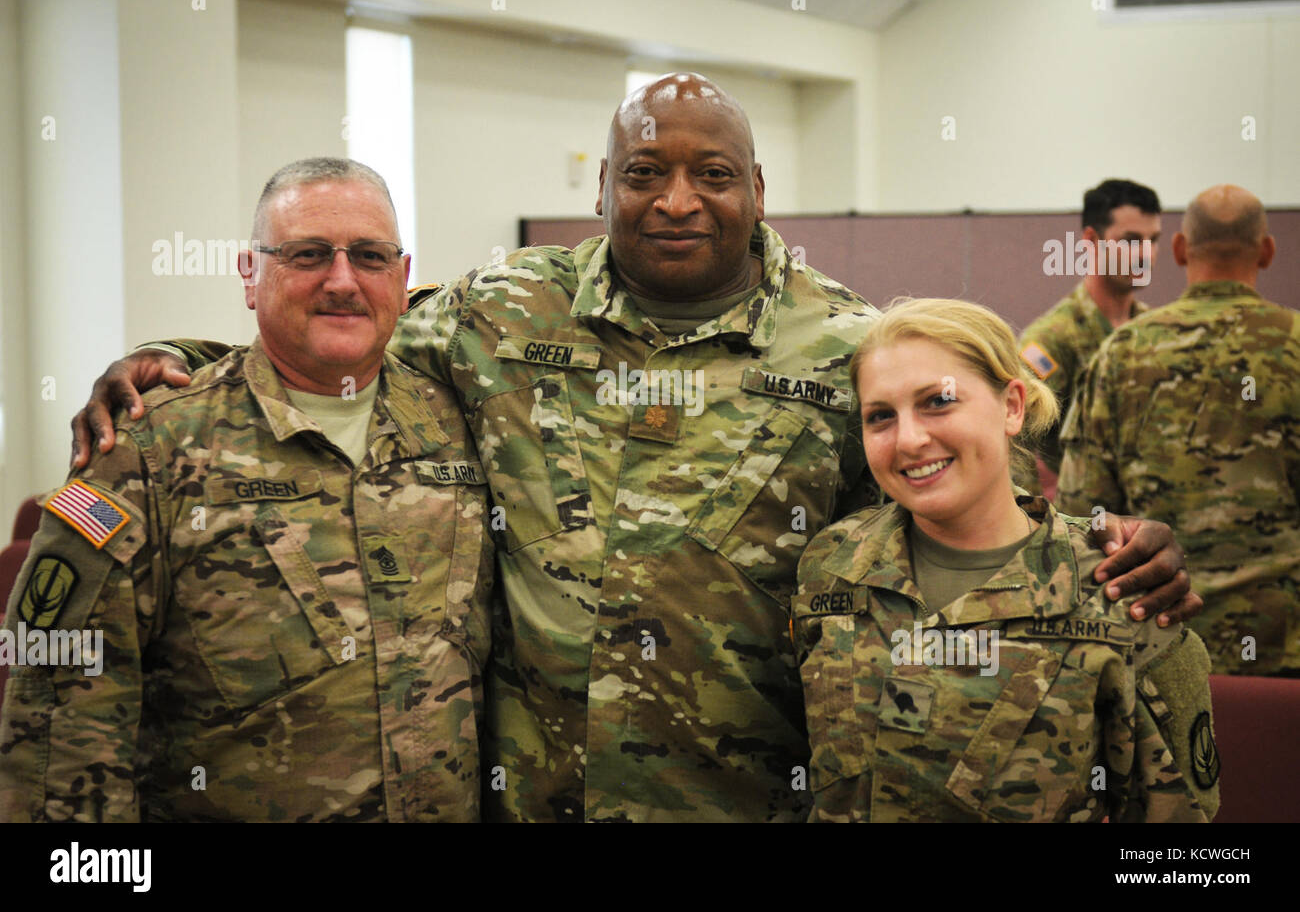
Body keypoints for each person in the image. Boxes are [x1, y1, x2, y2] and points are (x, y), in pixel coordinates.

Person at [69, 75, 1199, 822]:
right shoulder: (504, 310)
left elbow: (961, 494)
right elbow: (340, 326)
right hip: (528, 799)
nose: (677, 200)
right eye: (645, 173)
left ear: (759, 191)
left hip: (744, 800)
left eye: (713, 174)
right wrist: (166, 360)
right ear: (603, 186)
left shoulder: (845, 345)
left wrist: (1111, 546)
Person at [0, 158, 494, 821]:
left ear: (403, 281)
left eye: (370, 256)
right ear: (249, 275)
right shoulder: (146, 453)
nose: (342, 280)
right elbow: (56, 730)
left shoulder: (464, 426)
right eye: (307, 254)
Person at [794, 297, 1219, 822]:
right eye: (880, 416)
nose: (909, 439)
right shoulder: (831, 566)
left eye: (938, 401)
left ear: (1012, 407)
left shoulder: (1117, 590)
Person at [1059, 185, 1300, 676]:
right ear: (1267, 252)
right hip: (1285, 640)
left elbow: (1083, 514)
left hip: (1159, 637)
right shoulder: (1294, 344)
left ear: (1180, 249)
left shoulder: (1121, 353)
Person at [1018, 179, 1161, 495]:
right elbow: (1015, 439)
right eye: (1131, 241)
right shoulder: (1054, 339)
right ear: (1092, 241)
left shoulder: (1155, 332)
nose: (1146, 254)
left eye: (1153, 240)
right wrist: (1040, 515)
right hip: (1082, 516)